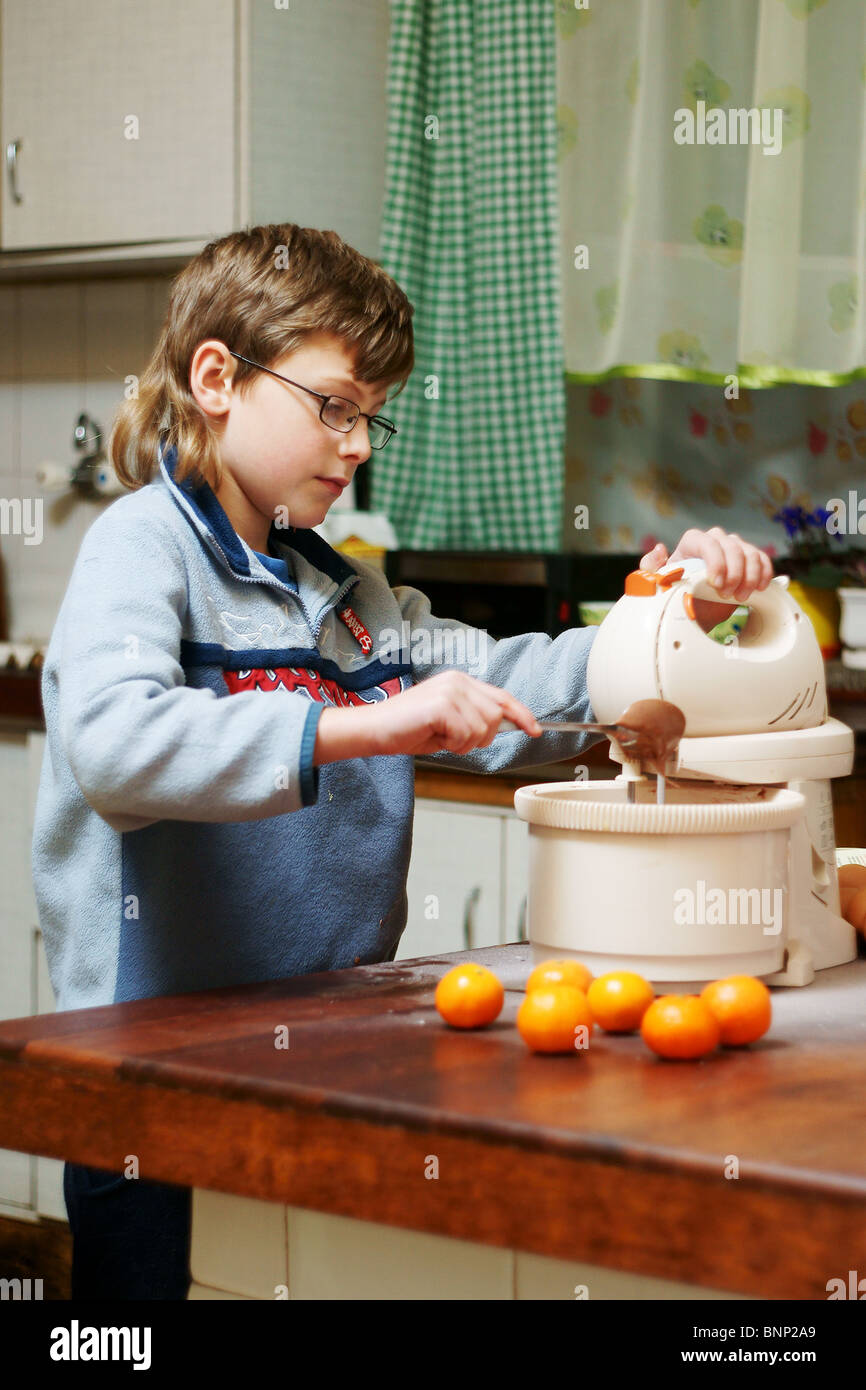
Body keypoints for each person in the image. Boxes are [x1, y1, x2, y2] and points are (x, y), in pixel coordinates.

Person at [32, 223, 773, 1300]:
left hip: (321, 1060)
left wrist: (666, 619)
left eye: (369, 416)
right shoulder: (140, 549)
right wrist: (362, 724)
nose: (359, 443)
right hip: (152, 1076)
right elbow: (116, 746)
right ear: (217, 378)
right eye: (333, 405)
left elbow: (515, 678)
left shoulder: (355, 598)